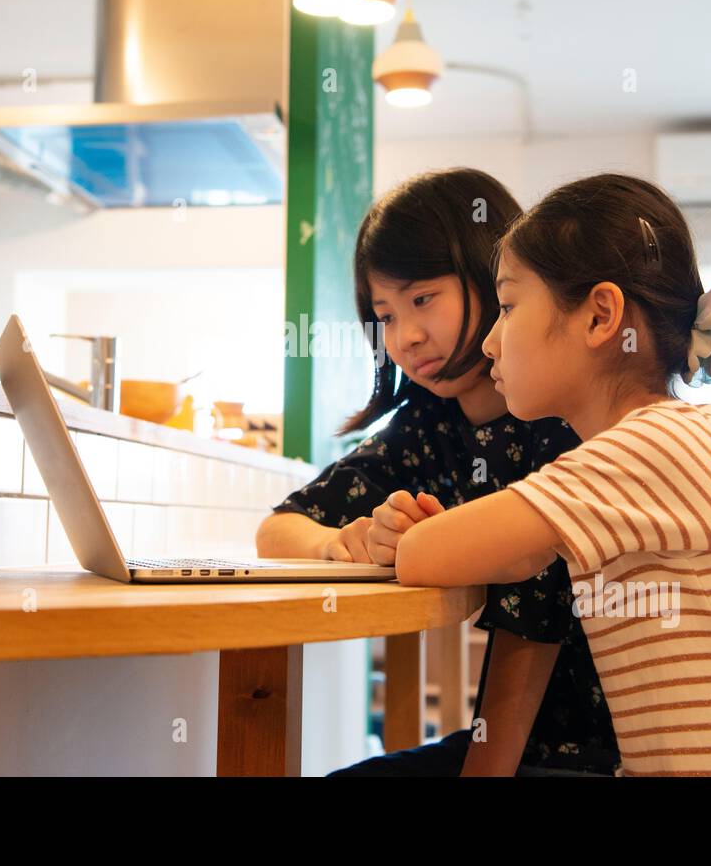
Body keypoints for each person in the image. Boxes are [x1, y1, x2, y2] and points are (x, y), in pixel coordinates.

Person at [385, 172, 711, 776]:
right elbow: (478, 553)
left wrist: (410, 534)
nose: (492, 343)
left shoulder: (651, 446)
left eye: (509, 306)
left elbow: (423, 556)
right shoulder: (680, 438)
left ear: (601, 316)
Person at [257, 168, 619, 776]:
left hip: (608, 753)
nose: (407, 337)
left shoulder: (564, 418)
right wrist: (343, 543)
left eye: (422, 299)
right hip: (524, 745)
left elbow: (534, 628)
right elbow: (281, 527)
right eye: (386, 316)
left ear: (496, 278)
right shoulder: (429, 425)